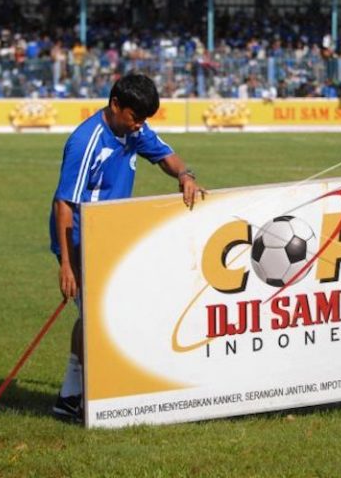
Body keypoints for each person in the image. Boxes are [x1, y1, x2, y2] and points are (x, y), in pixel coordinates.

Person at [49, 73, 206, 421]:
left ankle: (71, 395)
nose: (141, 126)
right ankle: (94, 397)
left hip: (112, 236)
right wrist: (68, 265)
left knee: (92, 314)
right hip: (80, 238)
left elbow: (167, 157)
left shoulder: (133, 130)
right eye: (136, 117)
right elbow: (64, 204)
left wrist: (185, 175)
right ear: (116, 105)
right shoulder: (85, 141)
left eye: (145, 120)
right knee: (101, 316)